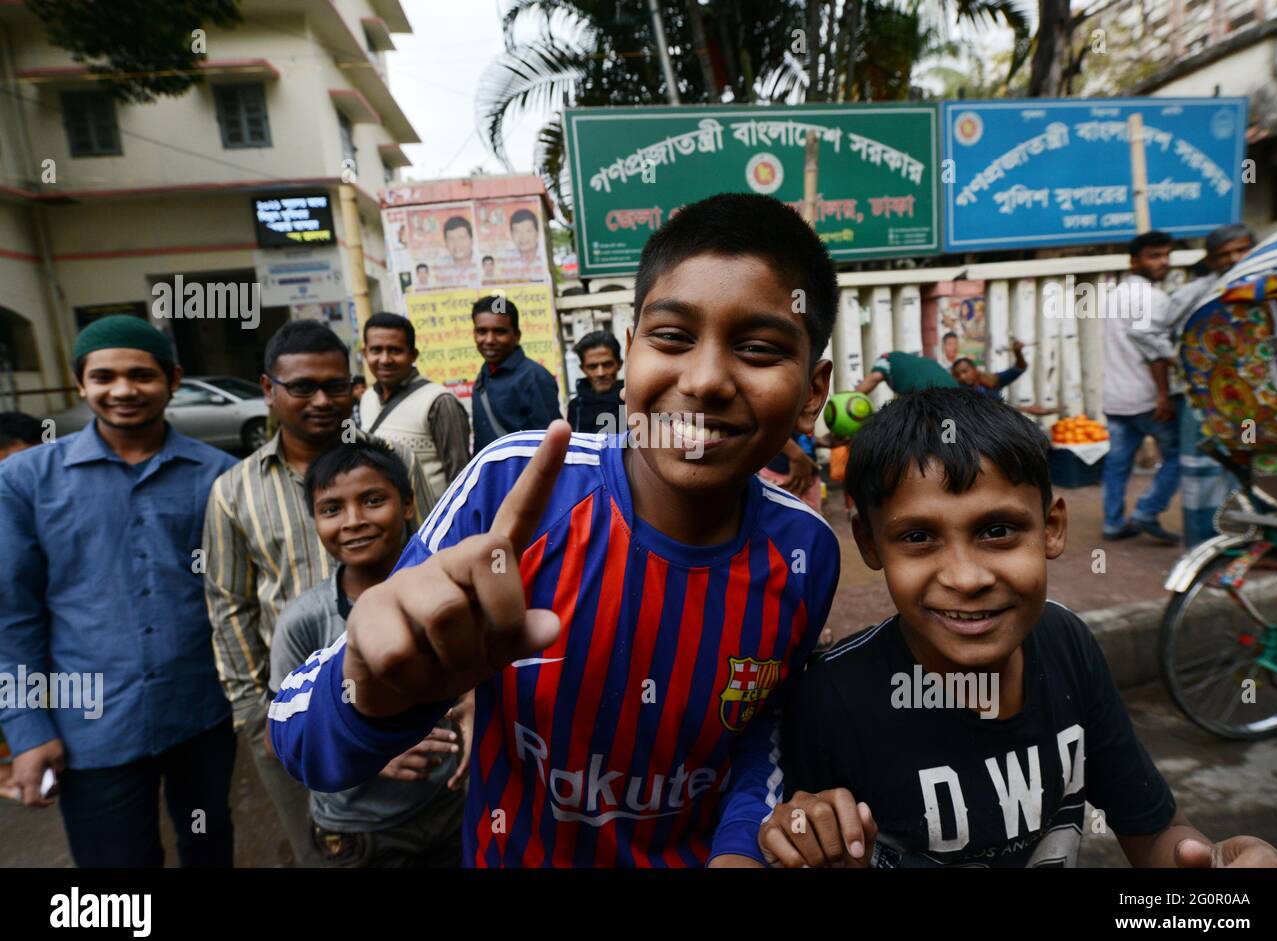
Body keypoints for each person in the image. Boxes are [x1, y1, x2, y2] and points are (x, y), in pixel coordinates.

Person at [269, 192, 842, 867]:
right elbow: (302, 736)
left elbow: (762, 725)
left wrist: (742, 844)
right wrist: (374, 692)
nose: (707, 378)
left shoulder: (807, 550)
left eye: (757, 347)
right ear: (630, 352)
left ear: (813, 388)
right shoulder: (510, 489)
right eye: (672, 337)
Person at [759, 388, 1277, 869]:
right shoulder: (832, 696)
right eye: (919, 538)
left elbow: (1156, 834)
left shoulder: (1067, 643)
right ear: (870, 544)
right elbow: (808, 837)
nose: (966, 579)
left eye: (998, 530)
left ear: (1052, 528)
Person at [0, 315, 237, 866]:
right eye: (104, 377)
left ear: (173, 379)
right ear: (80, 383)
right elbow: (13, 618)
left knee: (208, 846)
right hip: (92, 729)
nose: (124, 390)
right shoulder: (26, 481)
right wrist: (28, 728)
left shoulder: (219, 476)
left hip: (201, 713)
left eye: (141, 375)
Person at [203, 319, 436, 866]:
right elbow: (229, 606)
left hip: (405, 696)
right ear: (268, 390)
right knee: (330, 848)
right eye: (302, 387)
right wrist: (260, 720)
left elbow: (435, 556)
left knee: (422, 834)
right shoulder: (234, 491)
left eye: (336, 385)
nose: (323, 400)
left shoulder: (392, 462)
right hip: (292, 714)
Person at [269, 439, 470, 867]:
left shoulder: (446, 596)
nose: (354, 521)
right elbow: (282, 736)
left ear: (410, 504)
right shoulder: (304, 621)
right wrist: (372, 748)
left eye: (373, 500)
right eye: (331, 509)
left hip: (448, 807)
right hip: (358, 830)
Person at [1130, 224, 1255, 547]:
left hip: (1254, 399)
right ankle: (1204, 545)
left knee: (1249, 468)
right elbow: (1143, 330)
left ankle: (1247, 541)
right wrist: (1180, 359)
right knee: (1203, 471)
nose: (1234, 259)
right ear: (1211, 261)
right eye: (1224, 255)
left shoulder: (1269, 285)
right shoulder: (1200, 290)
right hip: (1203, 399)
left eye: (1241, 250)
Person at [1101, 230, 1181, 544]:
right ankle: (1148, 510)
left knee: (1117, 465)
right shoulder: (1156, 299)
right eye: (1155, 256)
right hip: (1148, 397)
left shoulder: (1114, 295)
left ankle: (1112, 523)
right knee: (1176, 456)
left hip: (1116, 397)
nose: (1163, 262)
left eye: (1166, 255)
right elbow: (1155, 352)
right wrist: (1164, 395)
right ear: (1134, 261)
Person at [359, 311, 471, 499]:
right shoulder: (367, 398)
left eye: (395, 350)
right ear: (365, 353)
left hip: (431, 525)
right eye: (376, 350)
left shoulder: (439, 402)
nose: (385, 360)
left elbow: (460, 479)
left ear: (413, 355)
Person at [469, 294, 562, 452]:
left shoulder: (535, 377)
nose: (489, 340)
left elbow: (552, 445)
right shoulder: (484, 376)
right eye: (482, 331)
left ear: (517, 335)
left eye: (499, 332)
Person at [950, 341, 1059, 415]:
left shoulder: (989, 380)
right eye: (958, 375)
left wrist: (1018, 352)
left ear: (974, 369)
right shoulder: (960, 391)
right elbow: (988, 409)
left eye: (965, 371)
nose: (962, 377)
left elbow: (1019, 369)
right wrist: (1027, 409)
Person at [565, 329, 624, 434]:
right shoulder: (576, 407)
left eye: (607, 365)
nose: (600, 373)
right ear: (583, 369)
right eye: (592, 367)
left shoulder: (633, 401)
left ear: (619, 364)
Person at [856, 350, 957, 397]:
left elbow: (875, 377)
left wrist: (851, 398)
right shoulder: (915, 363)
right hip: (956, 391)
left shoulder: (885, 359)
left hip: (928, 393)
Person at [509, 207, 542, 272]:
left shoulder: (544, 257)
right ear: (511, 235)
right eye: (517, 231)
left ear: (537, 233)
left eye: (528, 231)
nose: (523, 237)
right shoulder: (505, 260)